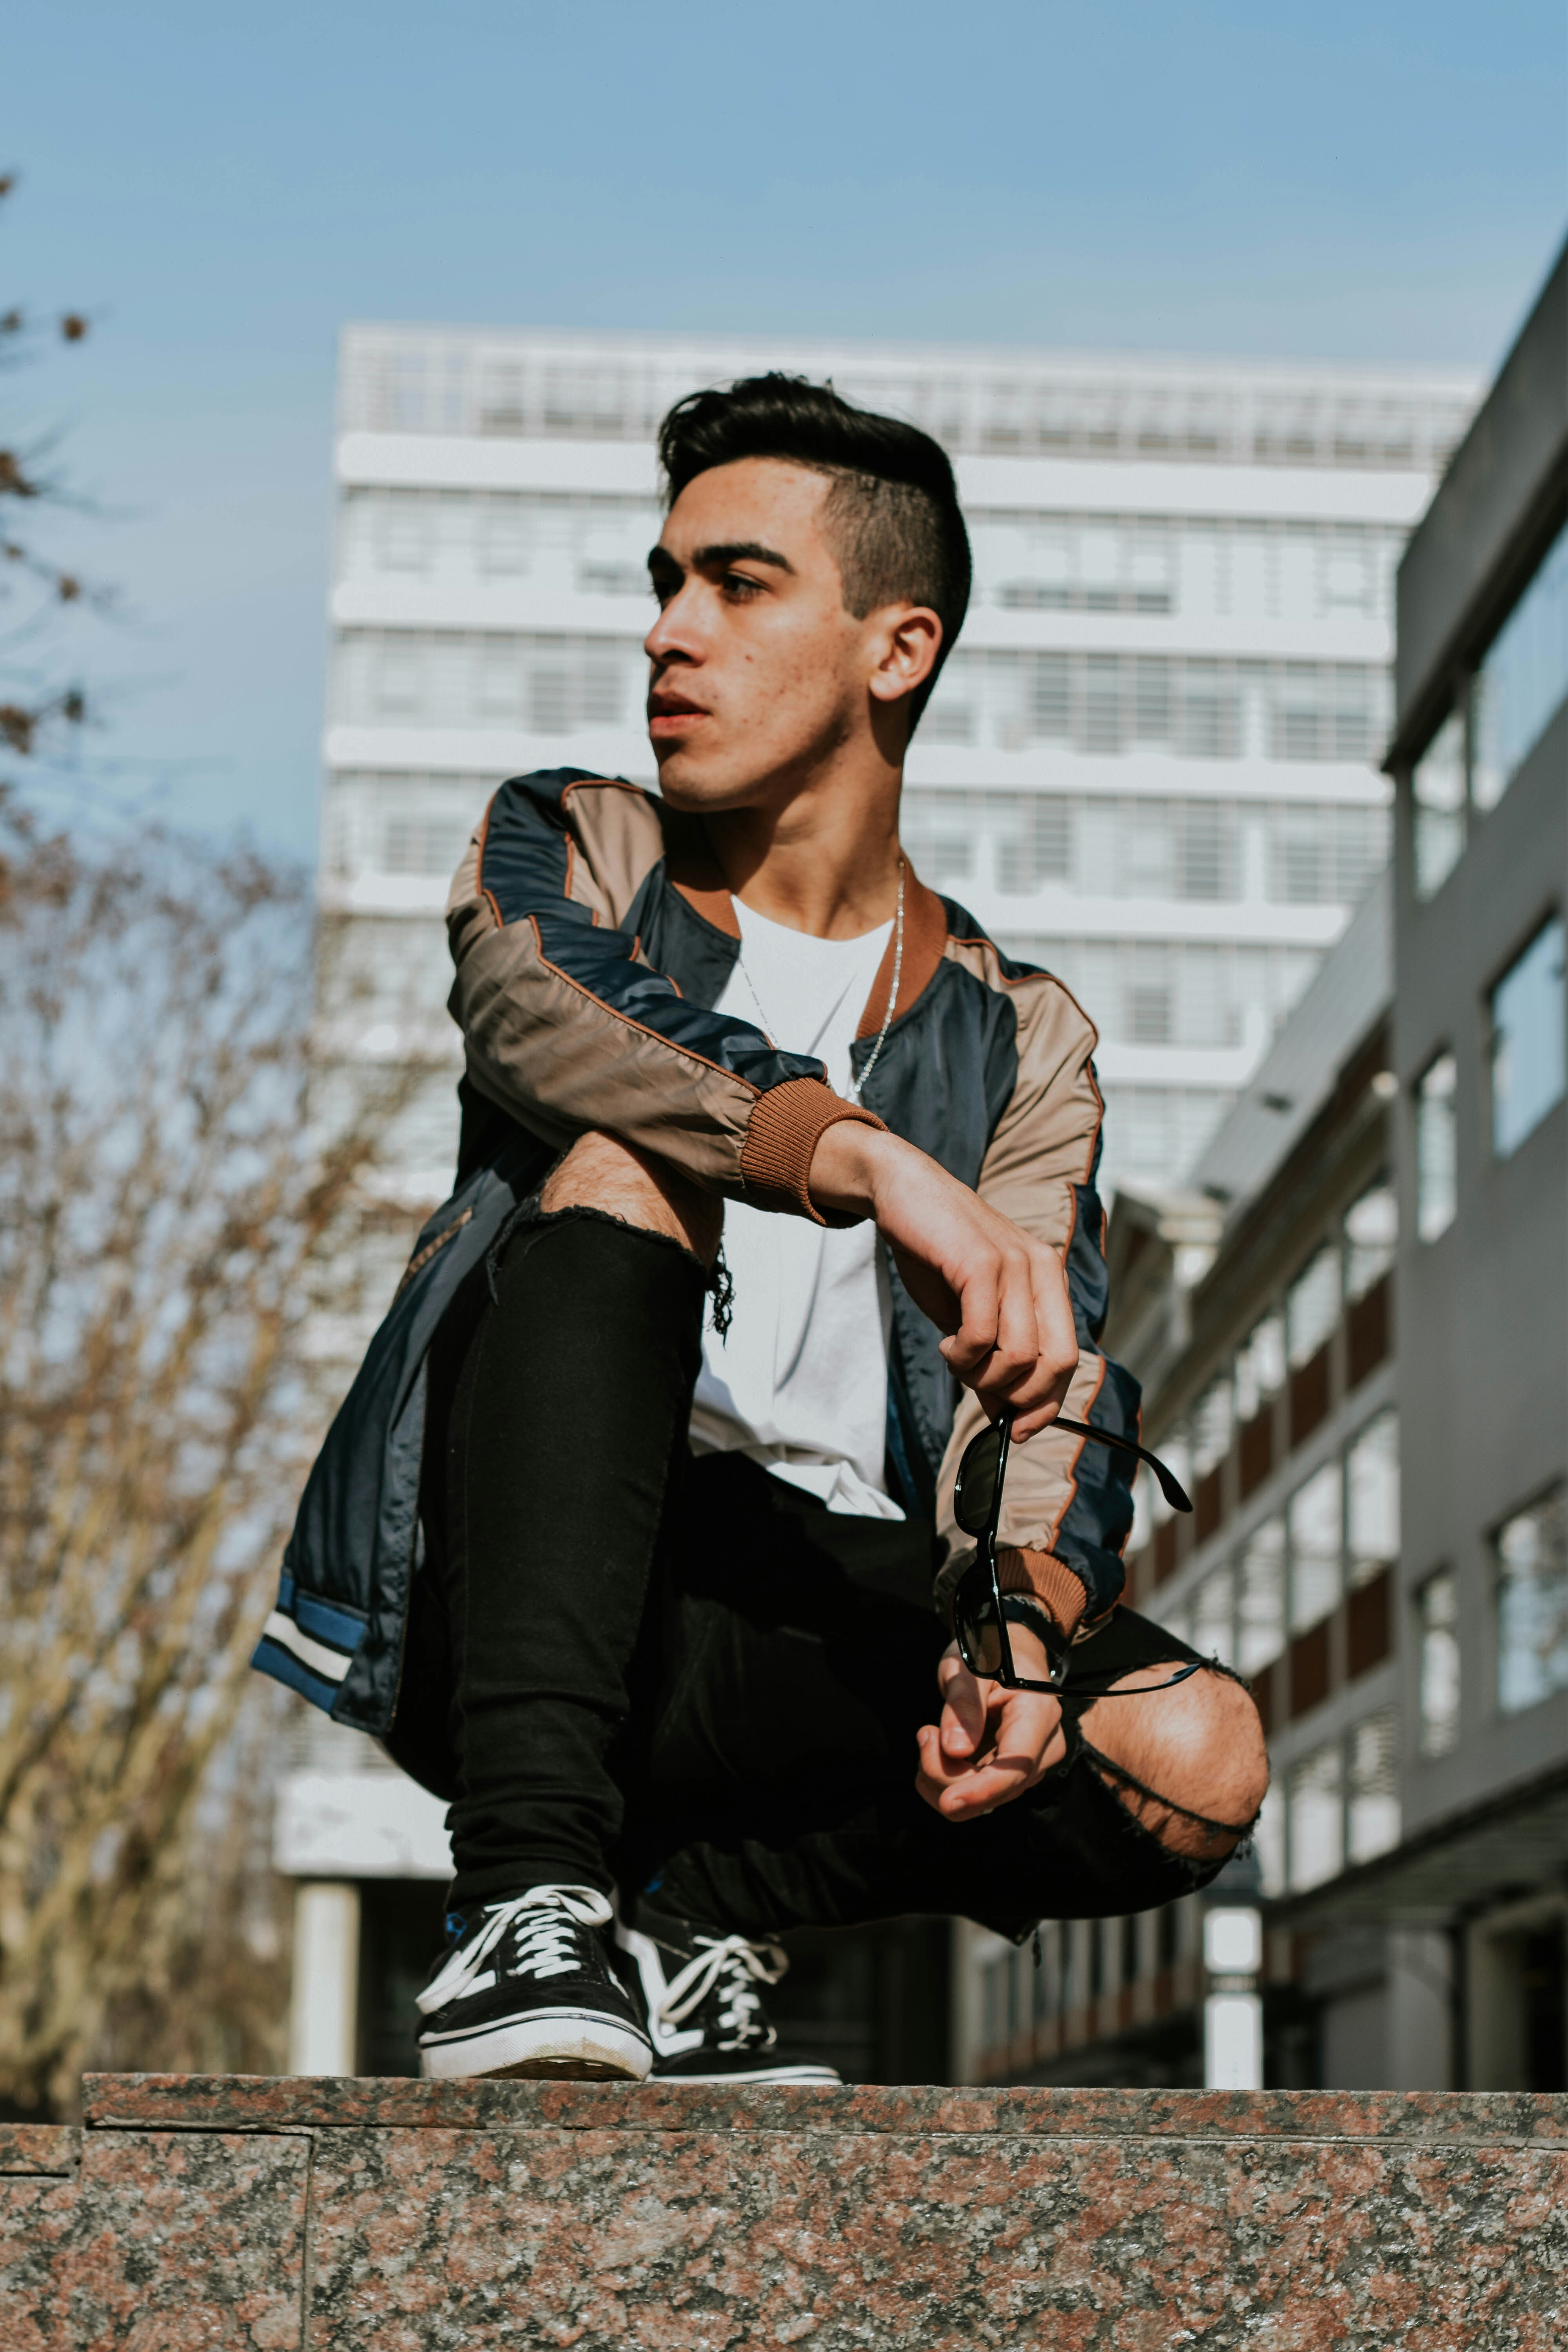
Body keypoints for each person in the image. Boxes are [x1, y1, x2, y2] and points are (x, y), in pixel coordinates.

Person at [260, 374, 1268, 2085]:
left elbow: (1043, 1378)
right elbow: (537, 1004)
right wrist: (865, 1160)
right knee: (629, 1158)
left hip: (792, 1603)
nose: (670, 633)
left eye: (735, 585)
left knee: (1198, 1751)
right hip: (514, 1573)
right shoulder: (578, 844)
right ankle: (526, 1902)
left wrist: (1021, 1619)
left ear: (897, 650)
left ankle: (688, 1911)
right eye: (662, 584)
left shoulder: (1019, 1032)